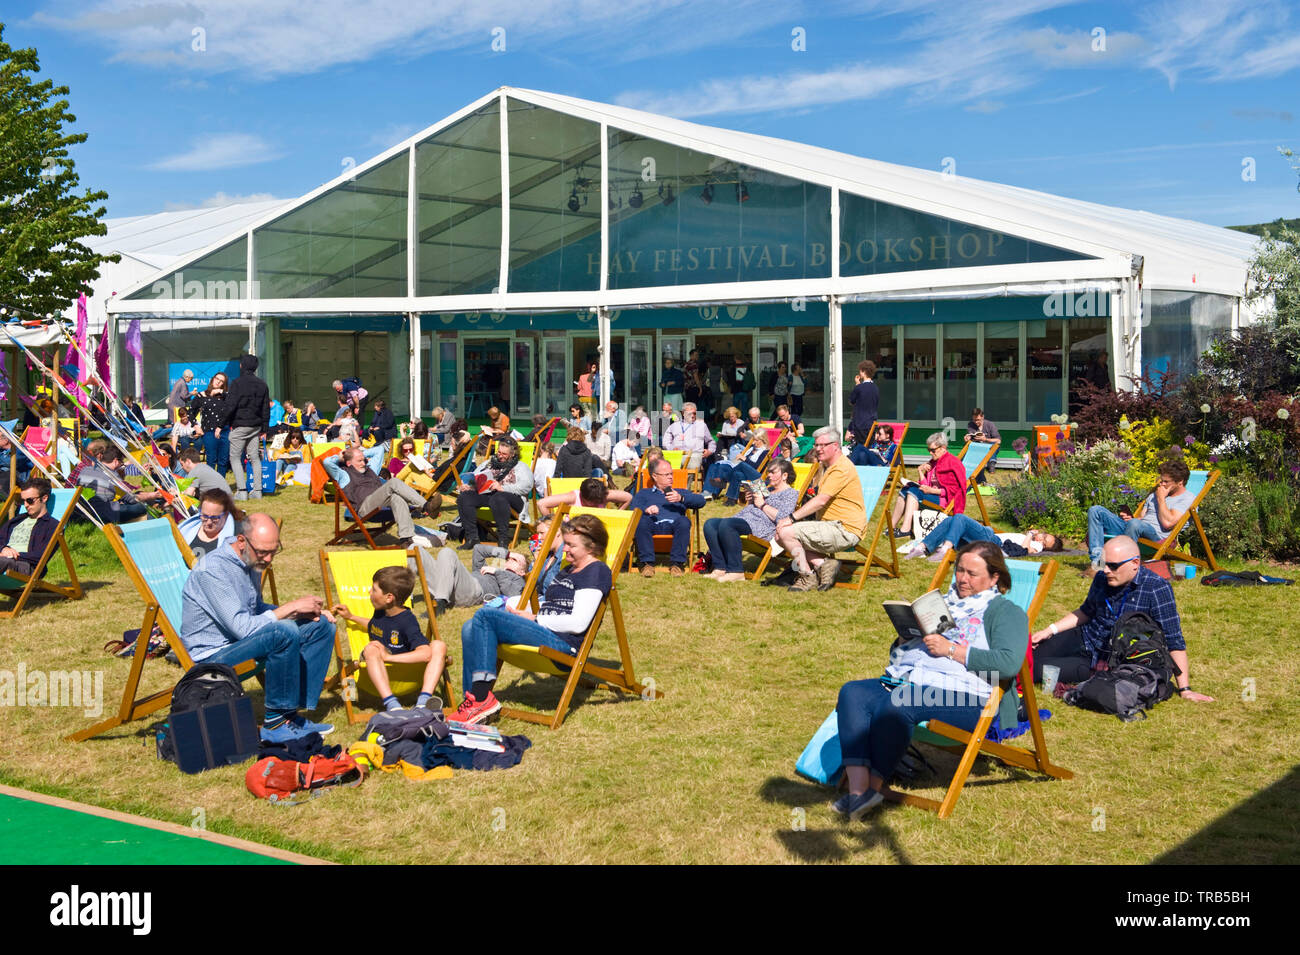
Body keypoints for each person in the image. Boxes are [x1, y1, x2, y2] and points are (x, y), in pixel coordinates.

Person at [832, 541, 1029, 819]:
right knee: (853, 693)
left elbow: (1009, 663)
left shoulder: (1006, 612)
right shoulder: (942, 604)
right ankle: (857, 790)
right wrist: (905, 637)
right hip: (916, 680)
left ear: (995, 577)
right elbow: (910, 652)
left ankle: (873, 789)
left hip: (968, 697)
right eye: (959, 570)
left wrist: (952, 650)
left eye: (972, 574)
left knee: (901, 702)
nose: (962, 578)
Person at [180, 513, 337, 742]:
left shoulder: (249, 560)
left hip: (239, 642)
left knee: (321, 625)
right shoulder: (212, 570)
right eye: (263, 552)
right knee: (283, 632)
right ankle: (275, 723)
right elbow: (243, 628)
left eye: (274, 551)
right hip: (212, 656)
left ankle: (291, 714)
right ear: (242, 541)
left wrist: (302, 612)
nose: (269, 558)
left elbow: (256, 607)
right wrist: (291, 607)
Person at [451, 514, 612, 724]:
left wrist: (535, 618)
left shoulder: (596, 571)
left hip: (563, 644)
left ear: (591, 547)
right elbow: (555, 605)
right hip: (544, 630)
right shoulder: (568, 570)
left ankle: (481, 699)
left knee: (485, 615)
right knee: (470, 627)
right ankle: (472, 700)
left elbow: (578, 622)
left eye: (572, 545)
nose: (566, 549)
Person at [1031, 536, 1214, 701]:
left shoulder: (1156, 588)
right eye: (1103, 564)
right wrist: (1049, 630)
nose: (1106, 570)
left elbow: (1174, 640)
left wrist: (1185, 689)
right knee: (1026, 655)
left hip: (1103, 661)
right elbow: (1086, 611)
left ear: (1135, 563)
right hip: (1085, 637)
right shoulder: (1102, 578)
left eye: (1113, 565)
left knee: (1037, 669)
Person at [331, 564, 447, 712]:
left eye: (374, 589)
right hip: (376, 668)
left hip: (400, 669)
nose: (369, 591)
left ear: (388, 598)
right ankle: (392, 705)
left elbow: (426, 653)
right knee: (372, 648)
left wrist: (387, 657)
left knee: (438, 645)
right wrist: (351, 617)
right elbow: (375, 627)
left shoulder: (407, 621)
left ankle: (423, 701)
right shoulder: (380, 612)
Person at [773, 427, 866, 592]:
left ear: (836, 446)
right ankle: (823, 564)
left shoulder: (840, 468)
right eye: (816, 445)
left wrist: (791, 518)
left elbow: (821, 500)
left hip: (844, 529)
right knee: (781, 534)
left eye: (823, 445)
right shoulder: (827, 466)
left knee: (786, 532)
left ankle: (807, 576)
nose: (818, 449)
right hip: (830, 525)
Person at [1086, 459, 1194, 573]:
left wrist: (1161, 498)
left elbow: (1167, 523)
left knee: (1135, 524)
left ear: (1180, 482)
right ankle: (1098, 565)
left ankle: (1120, 567)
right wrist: (1131, 519)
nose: (1161, 484)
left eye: (1166, 482)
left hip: (1156, 537)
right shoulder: (1154, 494)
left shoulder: (1187, 499)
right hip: (1137, 528)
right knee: (1096, 510)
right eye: (1161, 480)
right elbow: (1142, 518)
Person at [703, 459, 798, 582]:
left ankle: (736, 571)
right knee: (710, 524)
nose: (768, 475)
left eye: (773, 472)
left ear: (785, 475)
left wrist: (762, 505)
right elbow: (752, 509)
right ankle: (720, 567)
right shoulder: (766, 490)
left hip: (762, 527)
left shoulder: (790, 494)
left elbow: (784, 518)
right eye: (768, 472)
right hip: (745, 520)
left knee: (727, 524)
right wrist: (750, 501)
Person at [336, 445, 441, 549]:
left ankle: (405, 539)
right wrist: (342, 456)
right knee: (393, 482)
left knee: (396, 497)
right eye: (359, 461)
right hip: (364, 507)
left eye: (364, 460)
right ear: (349, 463)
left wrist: (360, 455)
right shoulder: (343, 473)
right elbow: (327, 463)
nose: (363, 463)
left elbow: (380, 449)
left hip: (379, 502)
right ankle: (426, 506)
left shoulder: (369, 468)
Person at [629, 456, 705, 577]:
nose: (671, 477)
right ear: (655, 476)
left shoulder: (679, 491)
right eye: (666, 474)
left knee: (684, 521)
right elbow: (633, 509)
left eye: (671, 474)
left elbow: (701, 501)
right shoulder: (644, 493)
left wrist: (681, 498)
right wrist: (646, 510)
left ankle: (677, 565)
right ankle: (647, 564)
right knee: (641, 521)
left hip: (674, 525)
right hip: (652, 524)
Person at [455, 435, 535, 549]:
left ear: (512, 454)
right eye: (499, 452)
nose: (500, 456)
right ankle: (472, 538)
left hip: (511, 500)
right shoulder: (488, 463)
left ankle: (503, 540)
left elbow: (527, 486)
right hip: (488, 496)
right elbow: (475, 477)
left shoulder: (521, 467)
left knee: (498, 497)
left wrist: (503, 488)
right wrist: (468, 486)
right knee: (464, 497)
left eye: (504, 454)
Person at [419, 544, 531, 616]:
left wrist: (497, 572)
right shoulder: (486, 568)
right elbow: (478, 549)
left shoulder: (518, 579)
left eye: (515, 560)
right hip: (450, 585)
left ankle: (440, 603)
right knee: (416, 550)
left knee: (447, 552)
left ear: (522, 571)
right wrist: (508, 553)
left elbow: (512, 594)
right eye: (510, 558)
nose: (510, 560)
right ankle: (403, 596)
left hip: (473, 591)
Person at [904, 512, 1063, 562]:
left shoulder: (1037, 546)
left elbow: (1026, 550)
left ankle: (945, 548)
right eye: (1045, 535)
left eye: (1045, 541)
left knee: (959, 517)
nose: (1041, 538)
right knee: (951, 520)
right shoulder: (1035, 538)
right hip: (991, 537)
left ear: (1045, 546)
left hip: (993, 542)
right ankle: (923, 547)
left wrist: (1029, 535)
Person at [892, 432, 966, 538]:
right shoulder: (934, 462)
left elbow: (956, 490)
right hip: (931, 495)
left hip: (944, 500)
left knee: (913, 492)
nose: (930, 453)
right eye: (929, 450)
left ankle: (906, 529)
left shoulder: (953, 463)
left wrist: (932, 491)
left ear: (943, 448)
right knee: (905, 489)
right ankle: (891, 527)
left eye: (933, 450)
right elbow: (926, 485)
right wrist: (920, 471)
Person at [222, 354, 270, 502]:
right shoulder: (262, 384)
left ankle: (242, 491)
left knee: (235, 457)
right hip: (255, 426)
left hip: (240, 425)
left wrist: (222, 423)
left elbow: (231, 406)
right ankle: (257, 490)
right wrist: (264, 428)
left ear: (242, 366)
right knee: (254, 458)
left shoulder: (236, 383)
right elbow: (265, 408)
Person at [78, 445, 165, 523]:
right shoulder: (113, 476)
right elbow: (132, 499)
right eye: (121, 463)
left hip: (82, 510)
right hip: (103, 514)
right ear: (116, 461)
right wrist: (153, 495)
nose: (122, 466)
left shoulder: (88, 469)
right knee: (144, 506)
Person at [0, 478, 57, 577]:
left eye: (30, 500)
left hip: (25, 565)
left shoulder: (52, 525)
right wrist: (3, 548)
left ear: (44, 498)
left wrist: (11, 555)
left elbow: (41, 556)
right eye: (23, 501)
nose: (26, 505)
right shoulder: (15, 521)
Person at [179, 487, 242, 559]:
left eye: (214, 518)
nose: (209, 522)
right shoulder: (185, 530)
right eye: (205, 516)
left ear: (226, 515)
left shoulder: (237, 535)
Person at [191, 372, 231, 476]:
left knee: (223, 460)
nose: (218, 382)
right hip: (208, 431)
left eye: (221, 381)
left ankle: (221, 487)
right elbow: (190, 413)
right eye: (217, 378)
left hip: (224, 430)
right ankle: (210, 486)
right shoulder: (201, 395)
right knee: (211, 460)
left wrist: (220, 391)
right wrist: (196, 426)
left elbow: (235, 400)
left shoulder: (225, 396)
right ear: (213, 379)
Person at [537, 475, 631, 516]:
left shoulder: (602, 495)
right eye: (592, 502)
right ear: (583, 497)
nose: (595, 505)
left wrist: (618, 513)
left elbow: (628, 497)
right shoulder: (573, 498)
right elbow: (541, 503)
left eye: (597, 502)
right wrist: (554, 526)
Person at [664, 402, 715, 471]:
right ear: (683, 413)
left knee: (691, 465)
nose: (693, 416)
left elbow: (711, 441)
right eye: (689, 413)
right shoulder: (674, 426)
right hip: (676, 455)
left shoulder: (701, 425)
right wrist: (672, 448)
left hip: (694, 455)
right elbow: (665, 442)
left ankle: (685, 482)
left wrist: (709, 451)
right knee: (664, 467)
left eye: (694, 413)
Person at [849, 361, 879, 449]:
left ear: (863, 371)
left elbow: (851, 401)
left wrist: (857, 384)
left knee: (860, 448)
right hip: (872, 422)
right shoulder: (875, 388)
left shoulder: (859, 388)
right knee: (869, 447)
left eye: (860, 371)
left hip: (860, 423)